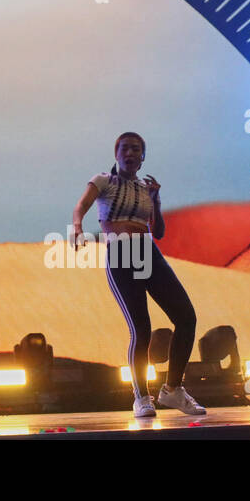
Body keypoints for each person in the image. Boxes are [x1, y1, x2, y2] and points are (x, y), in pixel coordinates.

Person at [71, 131, 206, 419]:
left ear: (143, 157)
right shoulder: (103, 180)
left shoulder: (147, 189)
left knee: (186, 317)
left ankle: (173, 390)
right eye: (124, 148)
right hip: (120, 254)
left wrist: (156, 200)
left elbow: (158, 232)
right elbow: (81, 205)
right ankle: (141, 397)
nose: (130, 153)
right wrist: (77, 227)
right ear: (116, 154)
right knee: (141, 328)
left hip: (149, 253)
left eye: (136, 149)